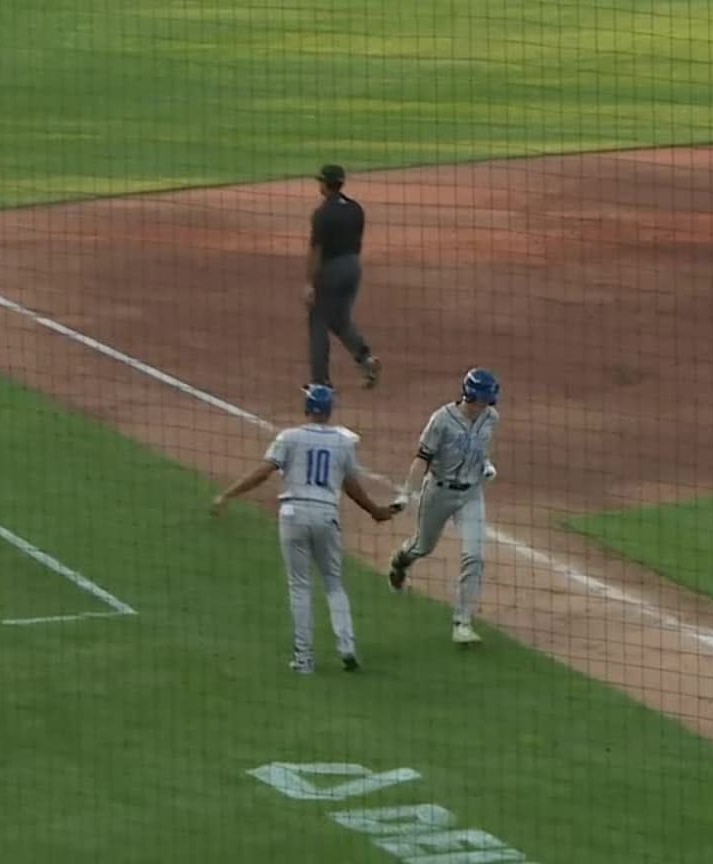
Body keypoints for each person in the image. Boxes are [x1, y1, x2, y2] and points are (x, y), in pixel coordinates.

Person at [213, 384, 395, 673]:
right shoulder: (342, 442)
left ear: (306, 408)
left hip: (292, 515)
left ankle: (304, 659)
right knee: (334, 583)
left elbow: (263, 472)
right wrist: (375, 511)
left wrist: (228, 494)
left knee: (299, 586)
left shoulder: (289, 437)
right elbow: (352, 486)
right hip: (326, 515)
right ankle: (346, 645)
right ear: (330, 410)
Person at [387, 368, 501, 645]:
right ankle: (400, 562)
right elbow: (422, 459)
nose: (485, 405)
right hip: (438, 492)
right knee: (423, 546)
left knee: (474, 556)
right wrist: (407, 494)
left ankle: (462, 622)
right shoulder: (442, 420)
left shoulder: (491, 418)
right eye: (482, 399)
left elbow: (482, 448)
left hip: (472, 494)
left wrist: (485, 464)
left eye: (489, 400)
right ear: (469, 395)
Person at [306, 164, 382, 390]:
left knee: (318, 322)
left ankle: (320, 382)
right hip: (353, 267)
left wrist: (310, 284)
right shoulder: (355, 209)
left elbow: (316, 251)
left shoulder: (322, 214)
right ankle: (365, 359)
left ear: (325, 185)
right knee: (339, 319)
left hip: (331, 269)